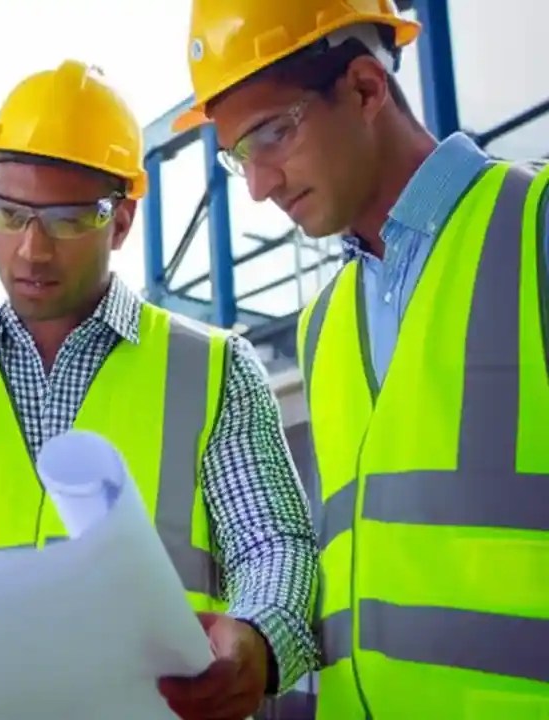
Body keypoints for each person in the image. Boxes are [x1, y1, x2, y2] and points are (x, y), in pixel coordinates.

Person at [0, 59, 319, 719]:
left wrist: (255, 638)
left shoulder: (213, 369)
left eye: (65, 220)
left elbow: (272, 543)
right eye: (8, 212)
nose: (31, 250)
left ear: (121, 221)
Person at [177, 1, 549, 717]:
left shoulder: (535, 227)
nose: (259, 185)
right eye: (239, 157)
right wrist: (257, 642)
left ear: (365, 88)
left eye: (272, 134)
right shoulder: (324, 324)